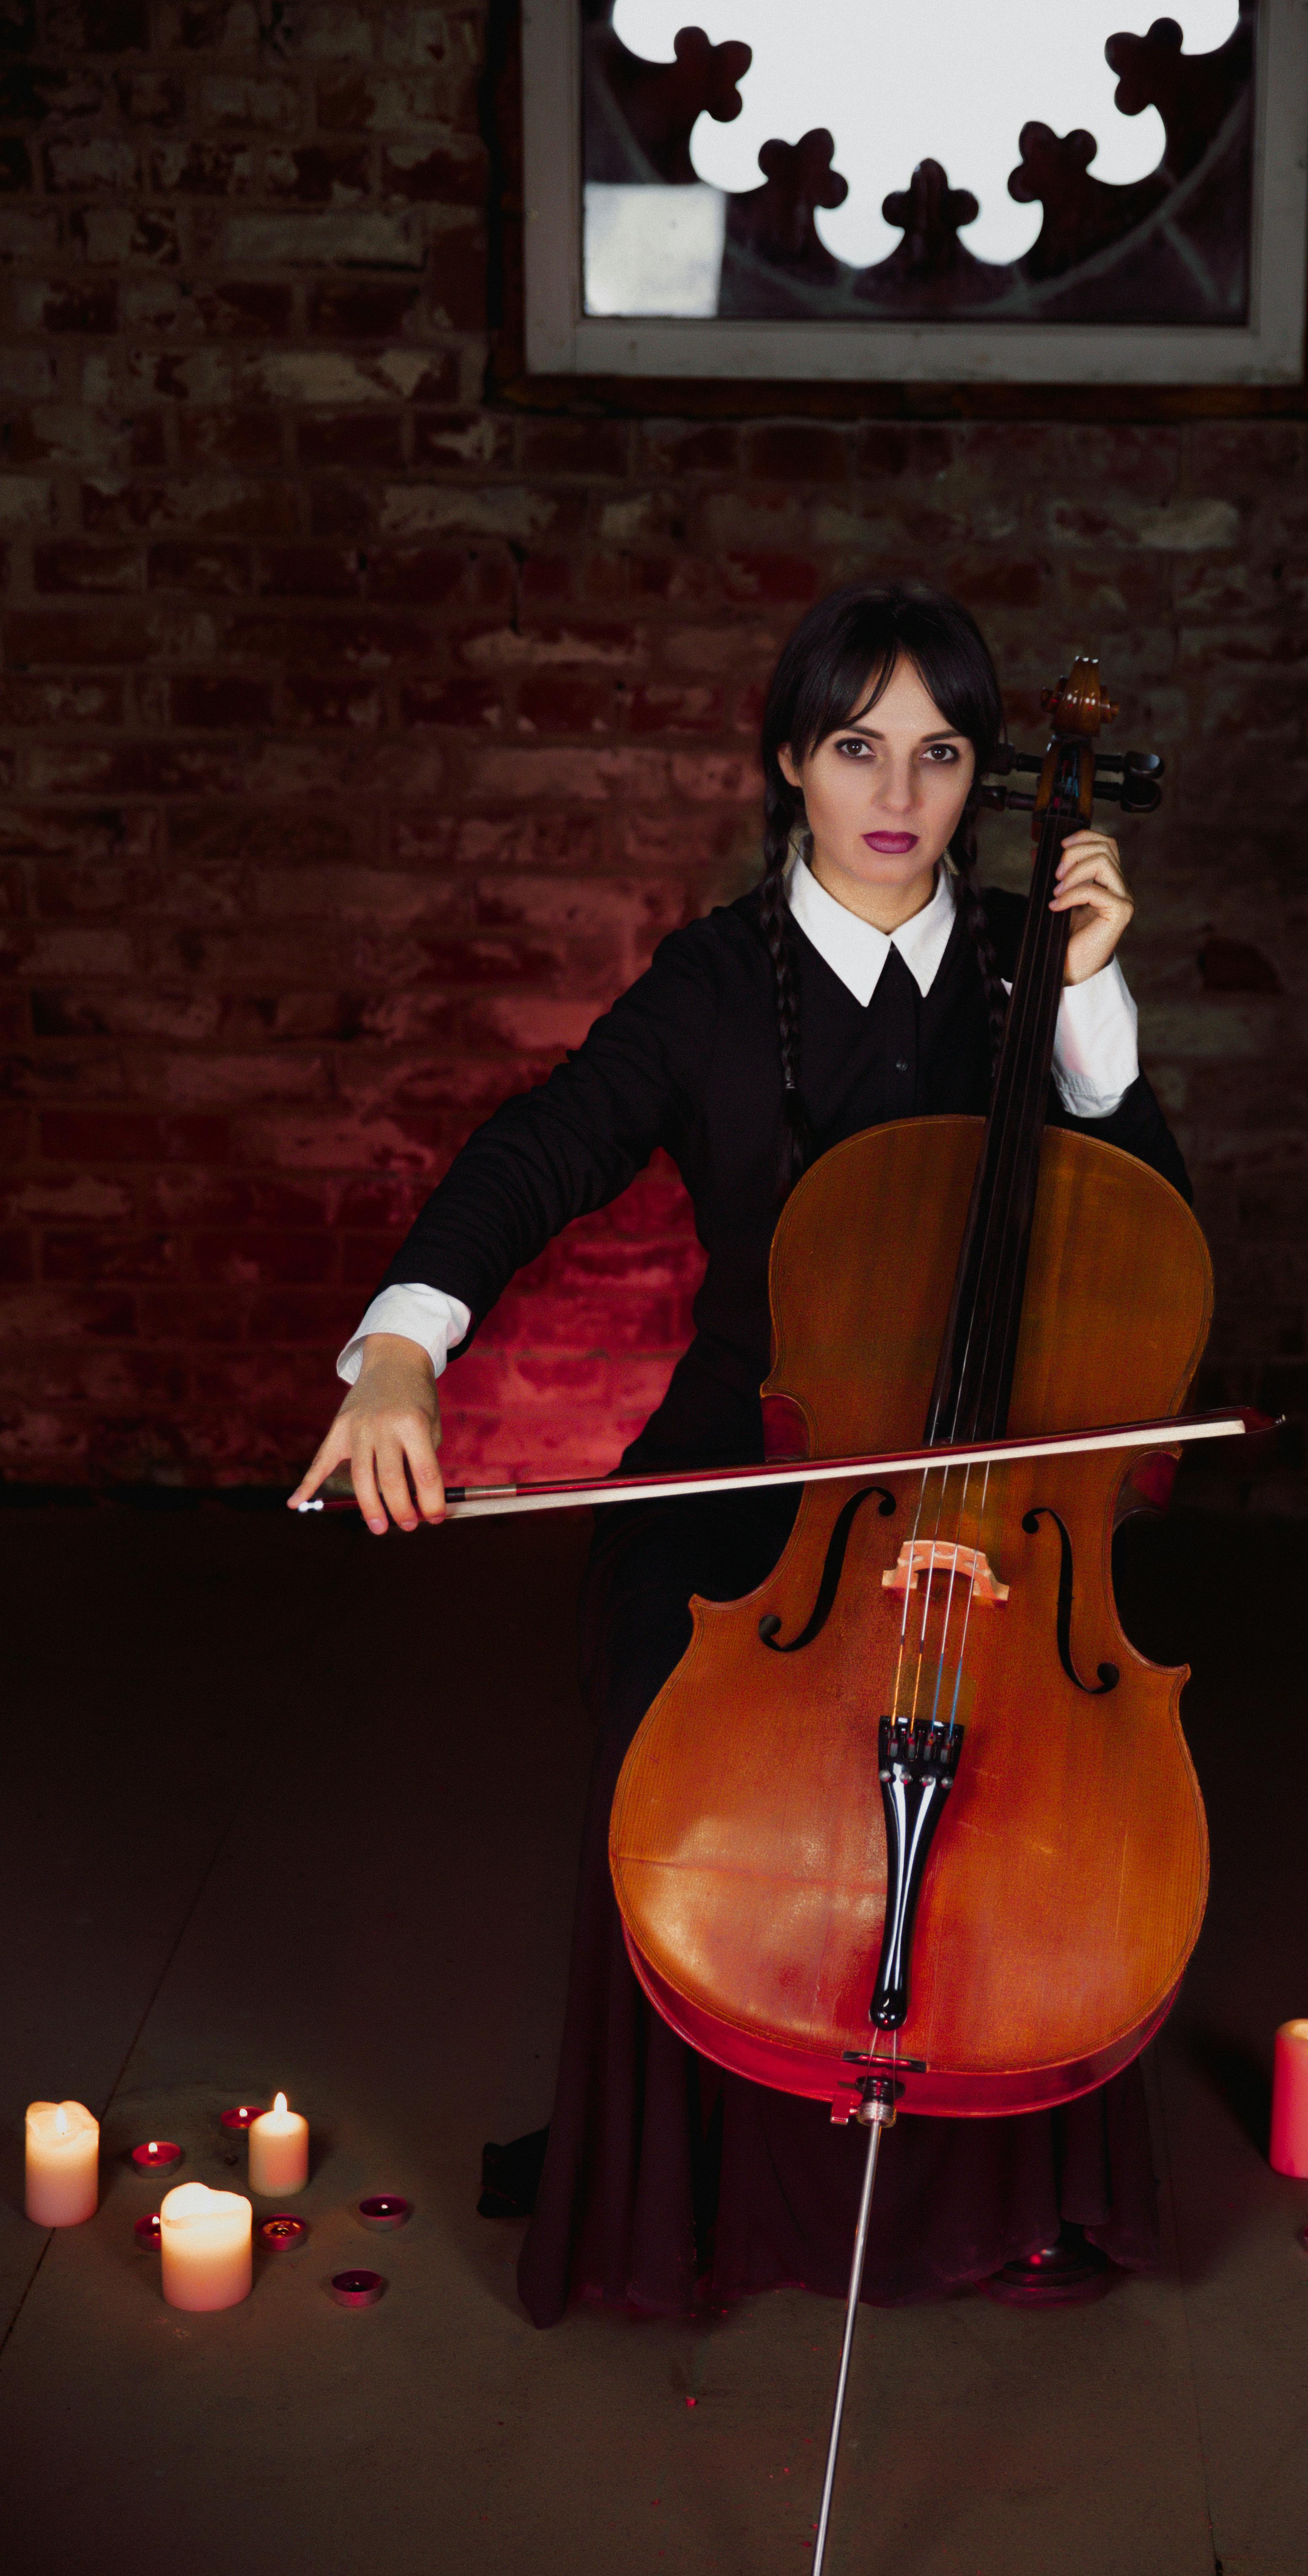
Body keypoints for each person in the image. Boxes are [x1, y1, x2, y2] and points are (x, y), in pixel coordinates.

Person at [290, 580, 1192, 2323]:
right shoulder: (715, 983)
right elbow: (544, 1149)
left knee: (1040, 1766)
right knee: (671, 1696)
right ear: (789, 760)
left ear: (984, 778)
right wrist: (402, 1348)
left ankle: (997, 2172)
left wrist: (1091, 1018)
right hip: (750, 1472)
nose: (898, 795)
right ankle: (691, 2188)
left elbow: (1146, 1233)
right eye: (857, 746)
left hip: (995, 1488)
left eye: (942, 754)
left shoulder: (1032, 964)